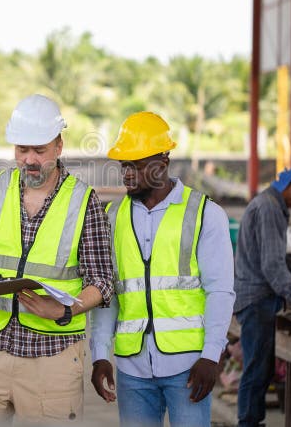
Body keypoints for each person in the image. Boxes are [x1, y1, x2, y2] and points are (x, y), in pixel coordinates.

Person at [0, 94, 114, 423]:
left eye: (39, 150)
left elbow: (103, 280)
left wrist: (65, 308)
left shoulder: (84, 201)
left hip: (52, 358)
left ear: (59, 146)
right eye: (21, 149)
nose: (29, 159)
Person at [89, 111, 236, 427]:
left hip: (189, 366)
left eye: (137, 166)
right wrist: (100, 353)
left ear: (163, 162)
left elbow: (220, 290)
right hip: (132, 369)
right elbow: (108, 293)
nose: (127, 175)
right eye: (124, 166)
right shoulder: (112, 217)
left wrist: (212, 355)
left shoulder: (205, 214)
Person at [233, 161, 291, 427]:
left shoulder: (268, 204)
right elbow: (272, 266)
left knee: (260, 368)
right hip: (256, 301)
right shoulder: (270, 208)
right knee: (257, 369)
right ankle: (248, 422)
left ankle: (251, 421)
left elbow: (269, 255)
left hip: (257, 299)